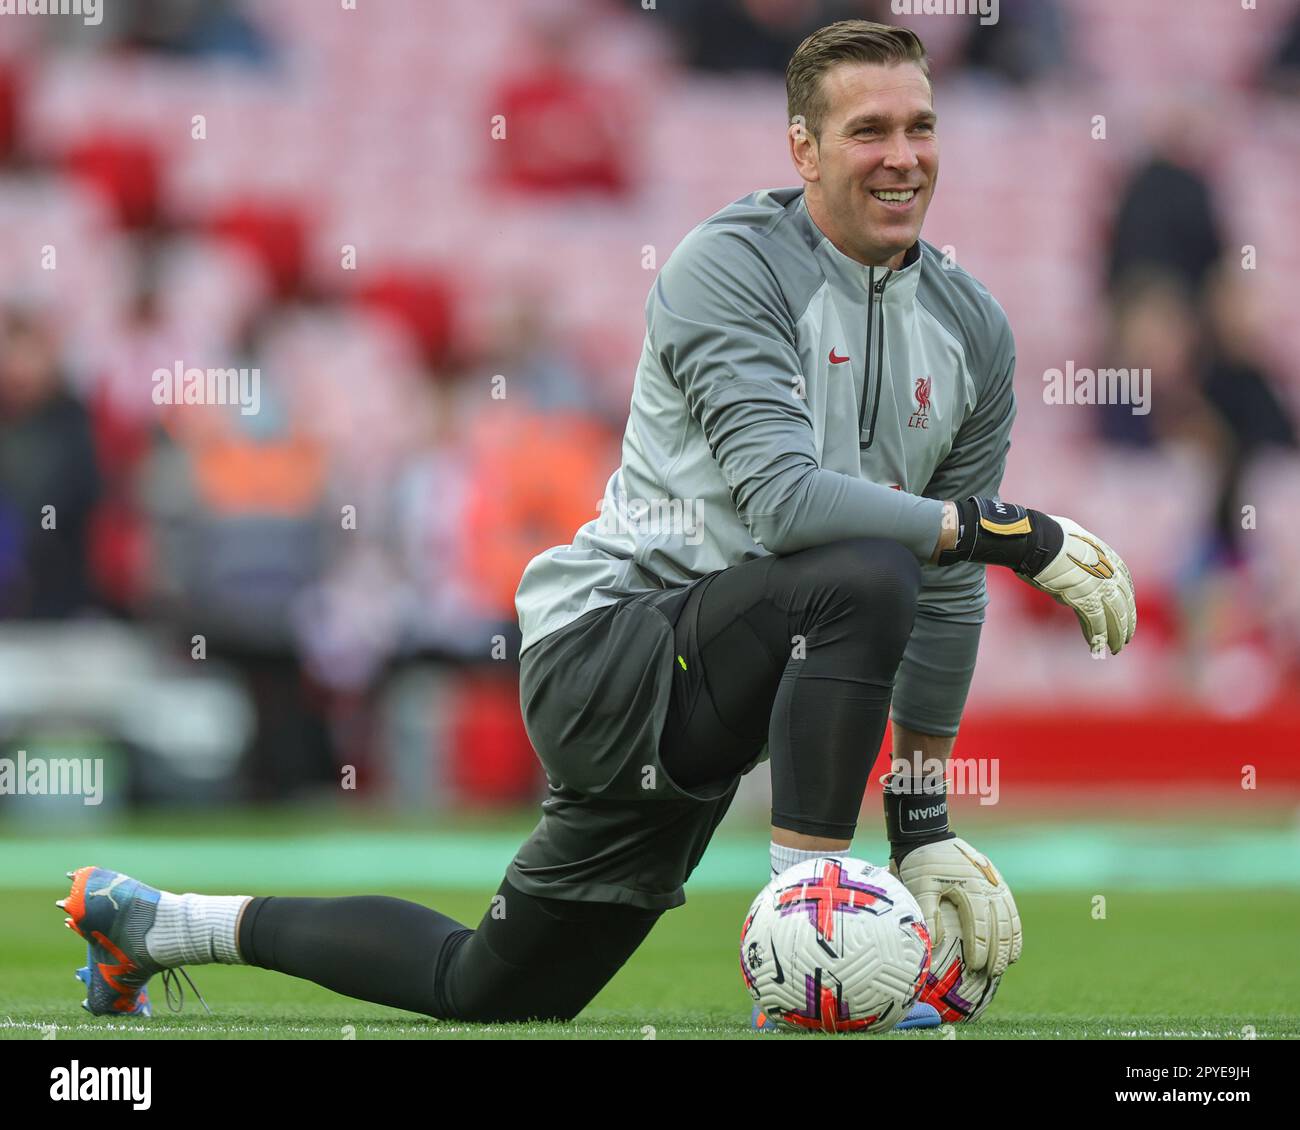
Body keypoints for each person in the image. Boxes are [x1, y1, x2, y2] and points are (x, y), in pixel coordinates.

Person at [60, 21, 1135, 1028]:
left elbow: (942, 587)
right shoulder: (731, 268)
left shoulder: (971, 326)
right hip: (607, 643)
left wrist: (924, 821)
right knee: (861, 573)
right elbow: (786, 502)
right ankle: (813, 941)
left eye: (920, 127)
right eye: (869, 131)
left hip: (722, 678)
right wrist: (1016, 533)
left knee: (493, 991)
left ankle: (156, 921)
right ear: (803, 150)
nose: (902, 157)